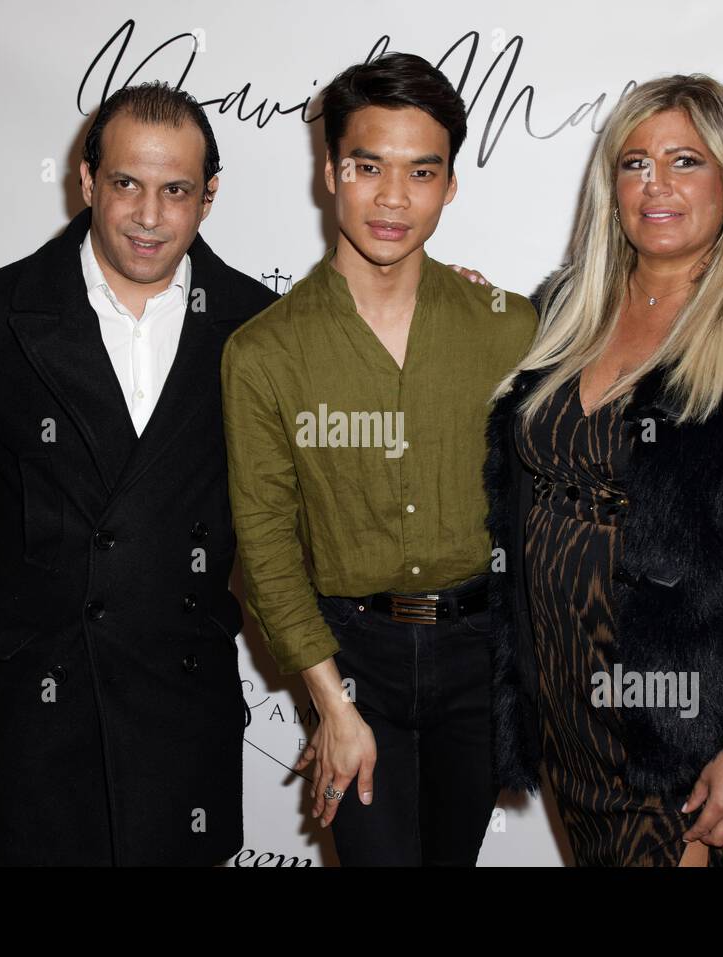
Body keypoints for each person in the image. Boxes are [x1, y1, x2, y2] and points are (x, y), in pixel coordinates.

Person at [483, 74, 723, 866]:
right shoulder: (564, 310)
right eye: (634, 163)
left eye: (685, 161)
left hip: (681, 733)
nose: (655, 185)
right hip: (564, 707)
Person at [0, 82, 278, 865]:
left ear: (209, 196)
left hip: (179, 698)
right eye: (127, 184)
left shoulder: (260, 326)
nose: (148, 216)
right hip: (29, 701)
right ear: (87, 182)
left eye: (176, 191)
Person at [220, 52, 536, 866]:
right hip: (353, 657)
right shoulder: (264, 351)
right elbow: (265, 545)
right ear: (330, 171)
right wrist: (330, 701)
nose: (393, 199)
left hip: (480, 649)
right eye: (367, 166)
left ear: (451, 185)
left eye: (421, 171)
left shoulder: (511, 328)